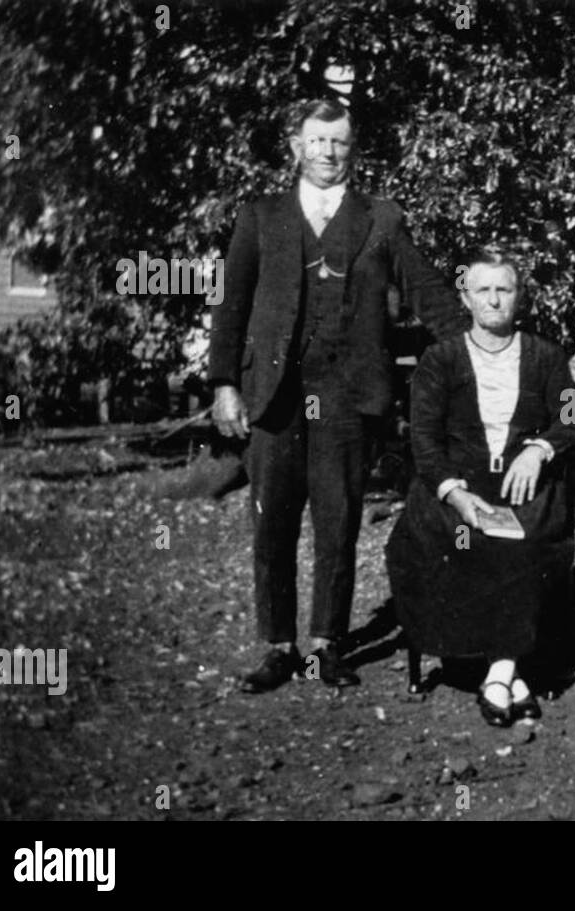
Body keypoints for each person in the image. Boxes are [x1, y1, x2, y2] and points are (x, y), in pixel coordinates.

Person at [210, 98, 462, 693]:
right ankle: (278, 646)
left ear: (354, 149)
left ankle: (327, 645)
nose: (328, 153)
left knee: (338, 521)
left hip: (349, 396)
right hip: (274, 395)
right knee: (272, 525)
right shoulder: (260, 216)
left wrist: (478, 348)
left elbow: (426, 291)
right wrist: (225, 384)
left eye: (340, 142)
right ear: (296, 147)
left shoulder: (382, 219)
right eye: (316, 141)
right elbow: (232, 304)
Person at [386, 250, 575, 728]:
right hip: (458, 486)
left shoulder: (545, 356)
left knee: (525, 539)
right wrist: (453, 491)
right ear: (467, 299)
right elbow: (424, 440)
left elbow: (572, 418)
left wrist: (539, 450)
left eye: (505, 290)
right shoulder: (441, 359)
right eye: (483, 291)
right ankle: (511, 676)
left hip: (523, 484)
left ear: (519, 299)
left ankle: (498, 672)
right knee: (458, 538)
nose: (494, 300)